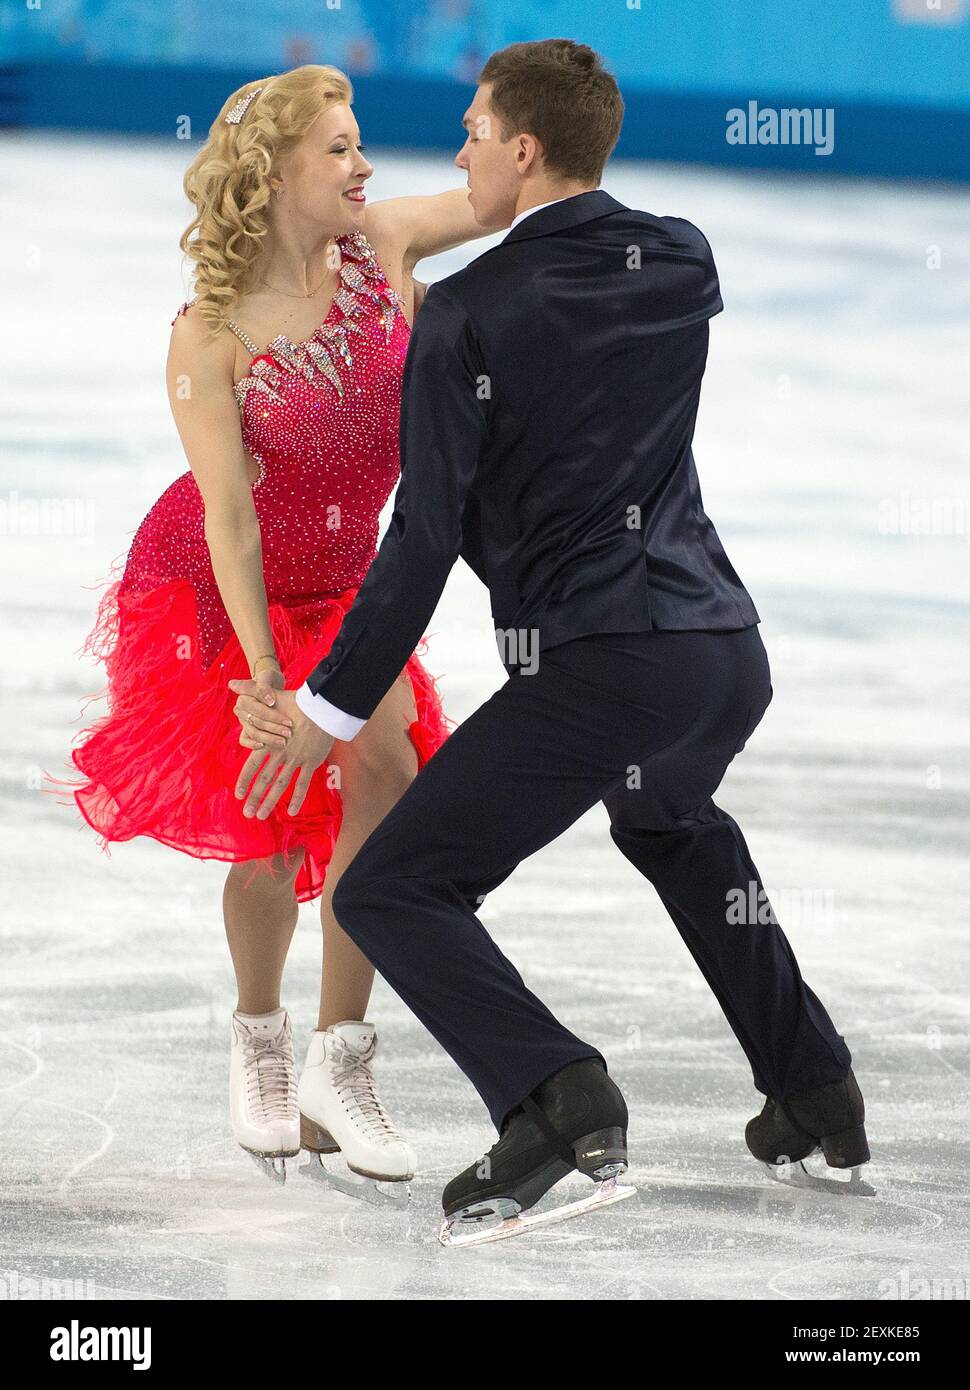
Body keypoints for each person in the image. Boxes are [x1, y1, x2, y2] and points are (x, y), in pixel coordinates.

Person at [228, 41, 869, 1238]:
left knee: (394, 886)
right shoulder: (681, 256)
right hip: (723, 651)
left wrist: (325, 714)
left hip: (607, 660)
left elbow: (421, 540)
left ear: (520, 148)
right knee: (671, 820)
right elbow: (574, 310)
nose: (457, 150)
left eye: (474, 131)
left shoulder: (463, 318)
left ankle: (553, 1094)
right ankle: (813, 1085)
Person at [48, 64, 502, 1188]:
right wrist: (263, 677)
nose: (364, 167)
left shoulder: (384, 247)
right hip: (221, 593)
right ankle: (258, 1038)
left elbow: (498, 199)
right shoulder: (208, 332)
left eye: (361, 146)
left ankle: (338, 1059)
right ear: (278, 172)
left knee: (385, 769)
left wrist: (525, 130)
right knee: (272, 804)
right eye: (340, 150)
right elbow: (229, 521)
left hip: (350, 582)